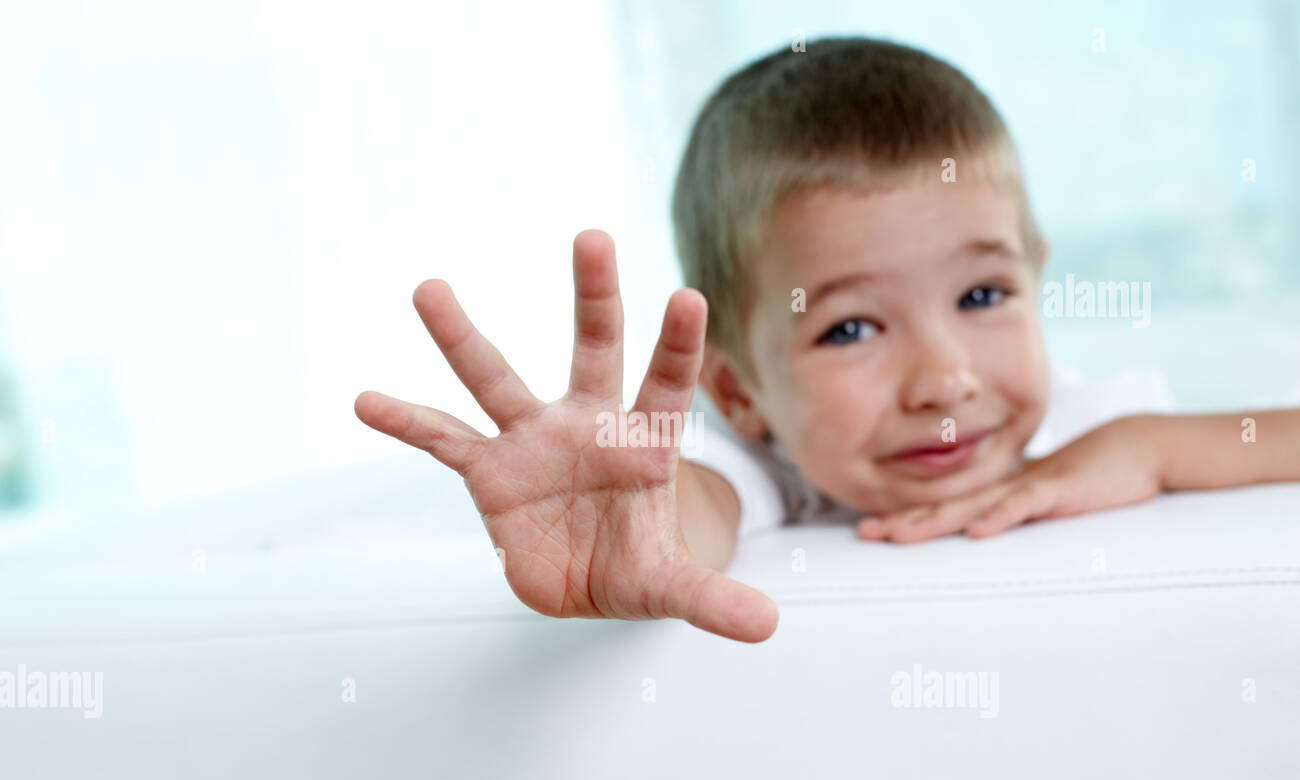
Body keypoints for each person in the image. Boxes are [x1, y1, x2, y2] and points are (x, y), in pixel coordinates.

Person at [355, 38, 1300, 643]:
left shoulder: (1099, 427)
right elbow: (694, 511)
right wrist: (632, 527)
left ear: (1037, 274)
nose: (944, 380)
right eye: (850, 327)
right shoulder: (778, 474)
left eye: (982, 293)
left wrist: (1149, 448)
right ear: (739, 393)